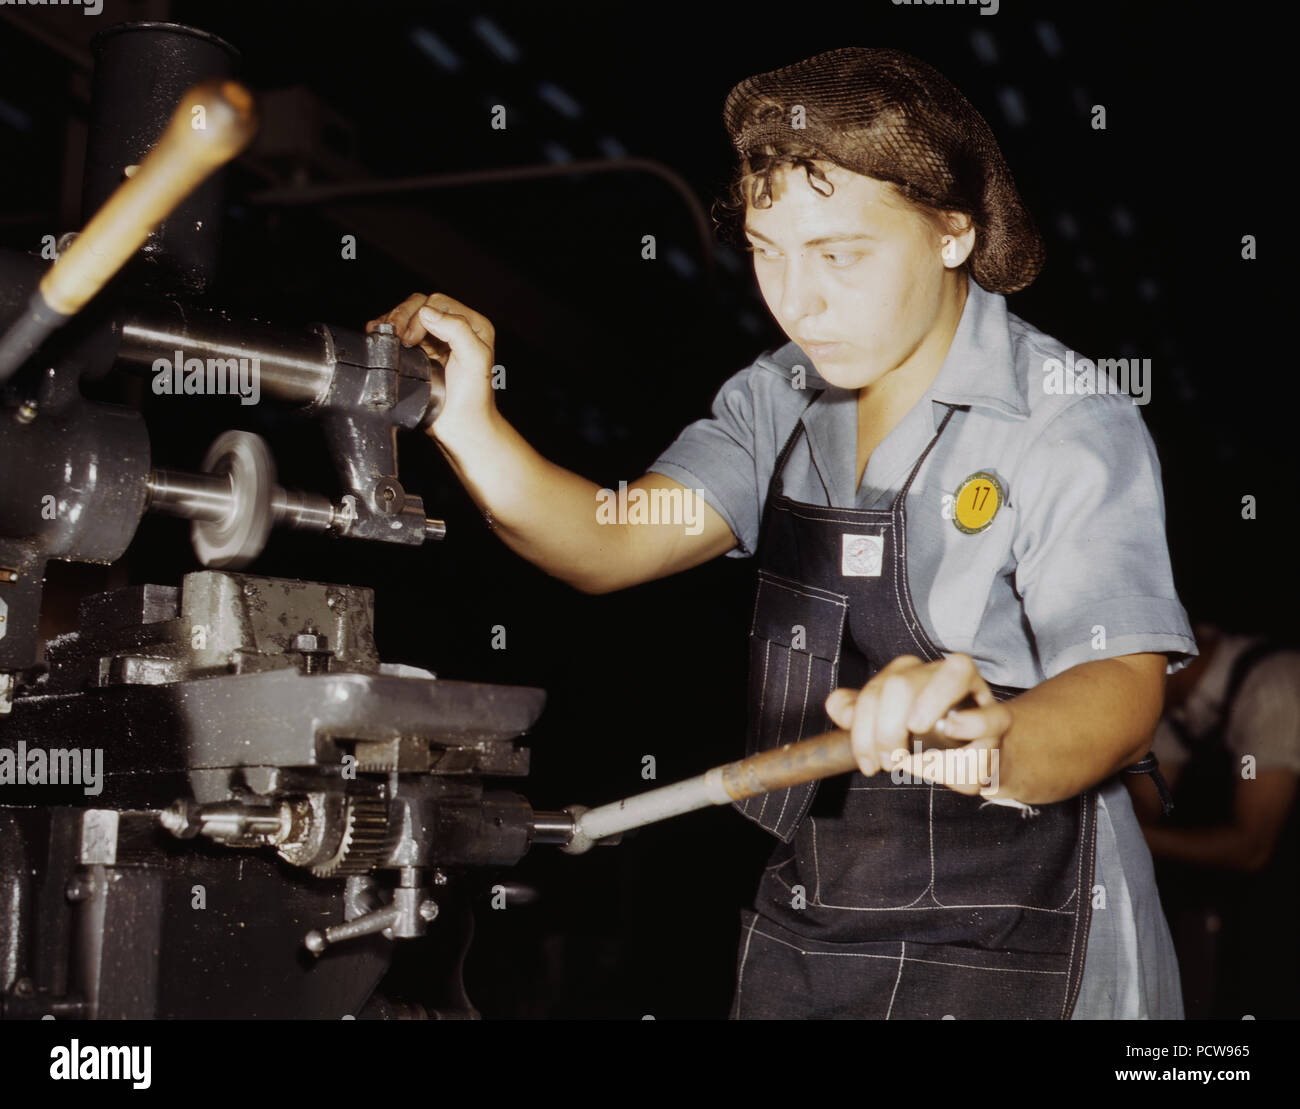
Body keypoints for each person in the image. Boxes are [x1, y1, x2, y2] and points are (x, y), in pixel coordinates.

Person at [367, 47, 1196, 1019]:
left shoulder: (1061, 416)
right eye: (768, 251)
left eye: (839, 255)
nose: (795, 301)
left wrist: (993, 732)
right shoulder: (780, 397)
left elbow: (1120, 689)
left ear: (952, 230)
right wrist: (468, 421)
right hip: (822, 908)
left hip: (1018, 931)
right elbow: (609, 537)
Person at [1127, 622, 1300, 1018]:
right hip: (1230, 902)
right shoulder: (1170, 701)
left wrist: (1135, 835)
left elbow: (1251, 848)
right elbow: (1148, 805)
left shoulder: (1271, 684)